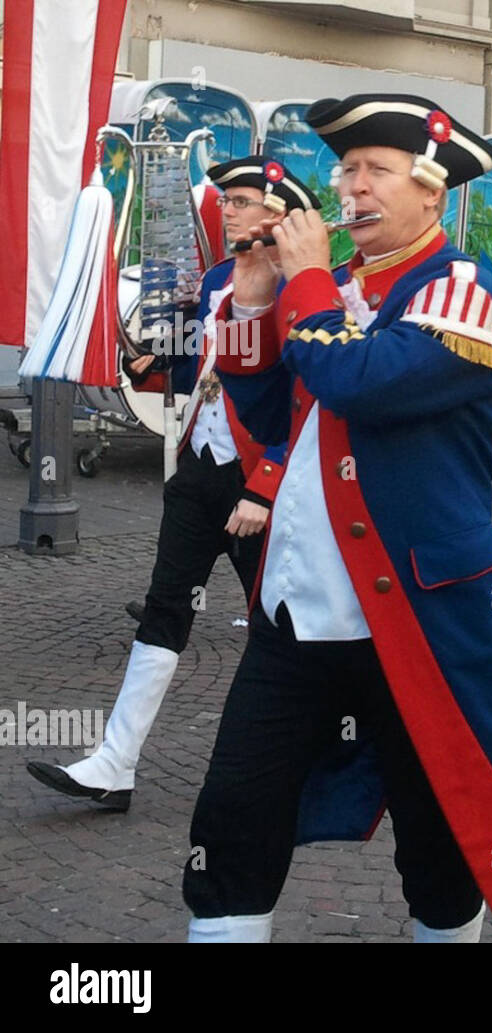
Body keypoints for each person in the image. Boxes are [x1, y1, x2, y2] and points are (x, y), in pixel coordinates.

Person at [183, 94, 492, 943]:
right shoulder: (327, 292)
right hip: (294, 612)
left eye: (375, 170)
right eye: (344, 169)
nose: (350, 187)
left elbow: (363, 381)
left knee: (440, 851)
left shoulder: (463, 290)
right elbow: (273, 420)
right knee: (233, 821)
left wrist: (301, 286)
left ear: (432, 195)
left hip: (415, 620)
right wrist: (260, 301)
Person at [25, 157, 315, 811]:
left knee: (286, 625)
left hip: (258, 484)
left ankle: (335, 755)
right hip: (200, 471)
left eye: (240, 201)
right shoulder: (217, 279)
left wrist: (266, 484)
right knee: (165, 609)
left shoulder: (300, 289)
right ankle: (114, 762)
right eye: (228, 199)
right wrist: (155, 365)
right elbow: (204, 358)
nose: (227, 209)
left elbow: (306, 393)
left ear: (277, 214)